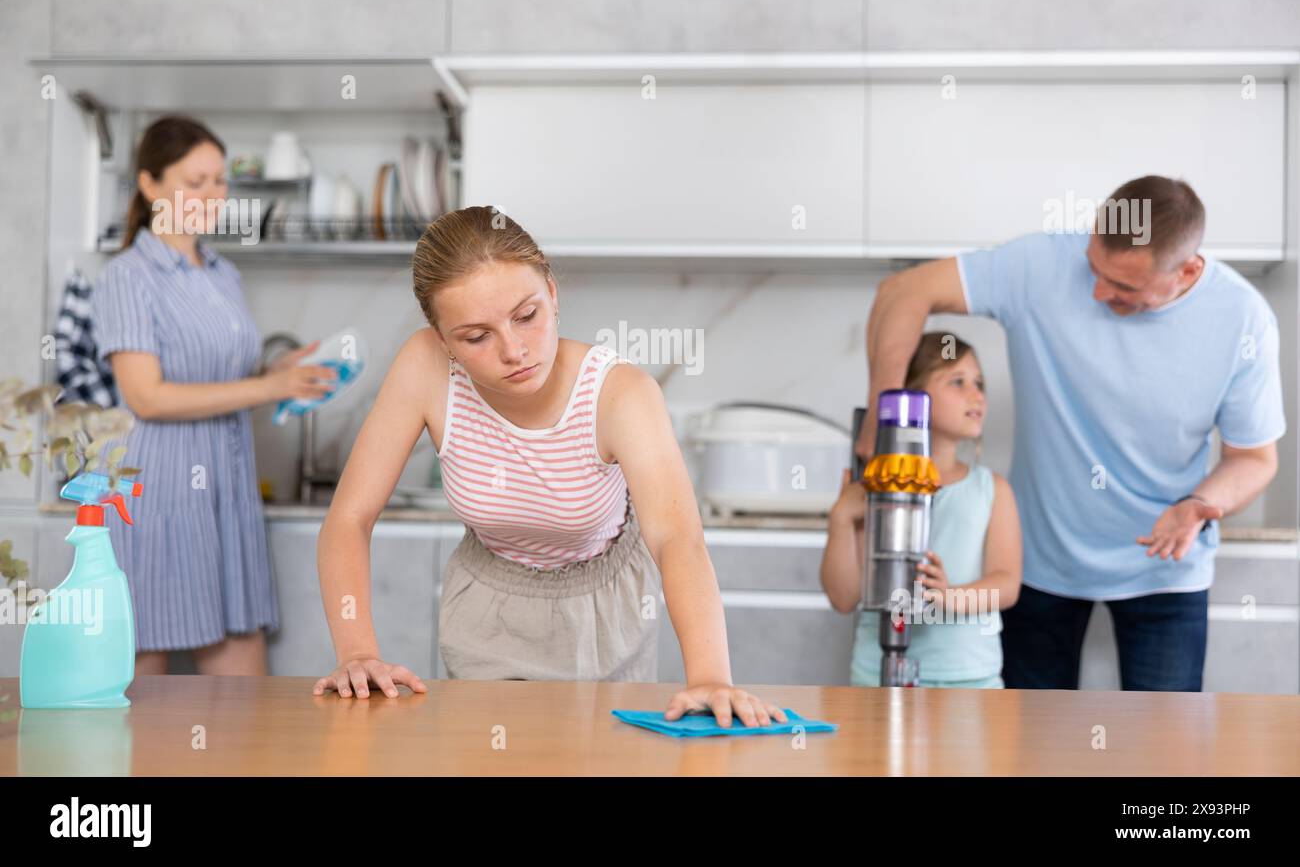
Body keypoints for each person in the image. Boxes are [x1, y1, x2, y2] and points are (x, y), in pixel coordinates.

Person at [313, 206, 786, 728]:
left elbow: (678, 538)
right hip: (487, 607)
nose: (514, 350)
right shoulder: (425, 366)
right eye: (476, 337)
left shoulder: (619, 393)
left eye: (527, 315)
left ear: (553, 294)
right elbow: (349, 517)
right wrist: (357, 651)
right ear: (443, 339)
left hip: (607, 612)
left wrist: (711, 677)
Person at [857, 175, 1285, 691]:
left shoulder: (1243, 320)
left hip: (1165, 572)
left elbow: (1254, 458)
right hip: (1042, 564)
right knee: (1030, 754)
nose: (1099, 291)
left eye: (1125, 286)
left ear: (1188, 270)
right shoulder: (1039, 266)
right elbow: (904, 291)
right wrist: (887, 423)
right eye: (1094, 268)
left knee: (1168, 753)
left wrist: (1199, 504)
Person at [92, 115, 337, 675]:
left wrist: (279, 370)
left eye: (219, 180)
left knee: (243, 705)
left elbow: (222, 377)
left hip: (227, 494)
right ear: (150, 185)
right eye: (194, 181)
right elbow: (146, 396)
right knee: (141, 699)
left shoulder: (224, 273)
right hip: (155, 497)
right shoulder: (128, 276)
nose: (211, 194)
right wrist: (266, 386)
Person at [823, 332, 1021, 688]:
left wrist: (951, 598)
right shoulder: (876, 488)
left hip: (969, 680)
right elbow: (843, 596)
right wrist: (841, 518)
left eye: (979, 383)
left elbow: (1006, 586)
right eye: (957, 382)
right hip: (876, 678)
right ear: (913, 396)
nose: (976, 394)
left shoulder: (992, 491)